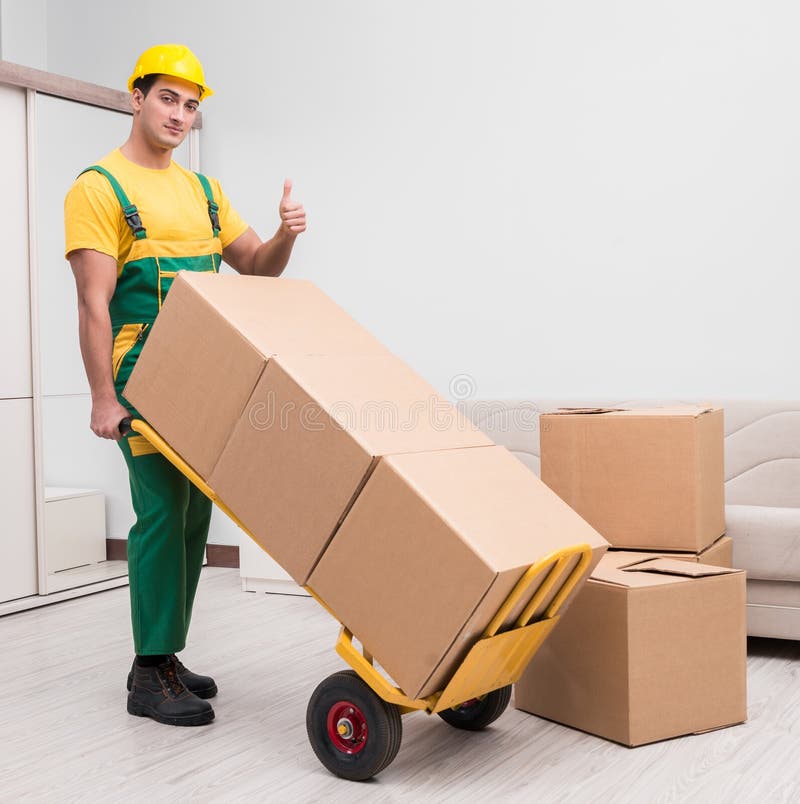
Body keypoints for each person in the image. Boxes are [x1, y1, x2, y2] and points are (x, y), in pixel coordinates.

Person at [64, 44, 306, 727]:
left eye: (192, 104)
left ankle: (167, 655)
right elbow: (92, 302)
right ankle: (148, 674)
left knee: (196, 517)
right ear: (135, 97)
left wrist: (287, 235)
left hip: (205, 372)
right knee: (164, 511)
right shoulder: (97, 187)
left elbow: (257, 267)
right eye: (168, 97)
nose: (180, 113)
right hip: (140, 374)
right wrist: (103, 397)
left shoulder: (203, 192)